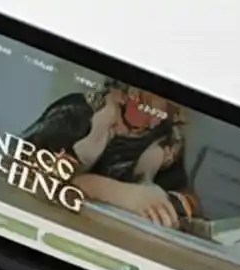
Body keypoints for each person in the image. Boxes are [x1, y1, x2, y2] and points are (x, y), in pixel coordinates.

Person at [22, 81, 200, 228]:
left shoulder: (163, 138)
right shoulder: (78, 112)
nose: (155, 122)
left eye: (166, 113)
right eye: (149, 108)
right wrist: (109, 190)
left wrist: (170, 204)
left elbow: (188, 199)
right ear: (125, 94)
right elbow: (22, 168)